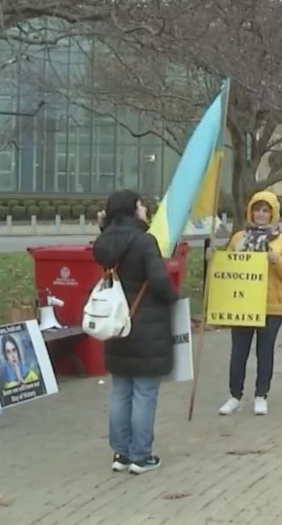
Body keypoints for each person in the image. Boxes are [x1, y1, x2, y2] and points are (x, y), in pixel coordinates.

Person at [93, 189, 179, 475]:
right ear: (131, 209)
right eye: (141, 206)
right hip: (146, 327)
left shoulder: (105, 242)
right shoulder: (144, 241)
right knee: (144, 392)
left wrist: (104, 226)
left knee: (121, 391)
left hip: (117, 325)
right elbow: (159, 280)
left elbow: (113, 250)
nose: (145, 210)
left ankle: (121, 453)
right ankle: (141, 456)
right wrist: (173, 297)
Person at [213, 191, 282, 417]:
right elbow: (227, 268)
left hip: (271, 307)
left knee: (265, 352)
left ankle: (261, 395)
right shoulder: (238, 239)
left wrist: (276, 260)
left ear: (273, 214)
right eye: (257, 210)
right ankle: (235, 396)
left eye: (265, 210)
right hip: (243, 304)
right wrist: (213, 259)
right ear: (250, 212)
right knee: (238, 352)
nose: (260, 214)